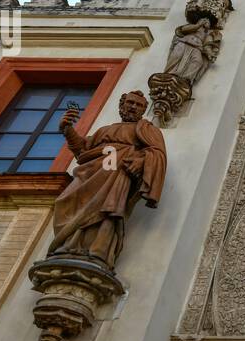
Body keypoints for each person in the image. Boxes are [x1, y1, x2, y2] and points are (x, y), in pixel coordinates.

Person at [49, 91, 167, 269]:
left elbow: (158, 153)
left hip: (117, 173)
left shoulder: (146, 129)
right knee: (65, 202)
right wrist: (67, 129)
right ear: (122, 105)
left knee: (108, 209)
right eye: (130, 102)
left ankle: (98, 251)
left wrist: (140, 161)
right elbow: (83, 150)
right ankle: (68, 245)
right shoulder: (104, 130)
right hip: (91, 172)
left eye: (139, 105)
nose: (133, 107)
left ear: (143, 110)